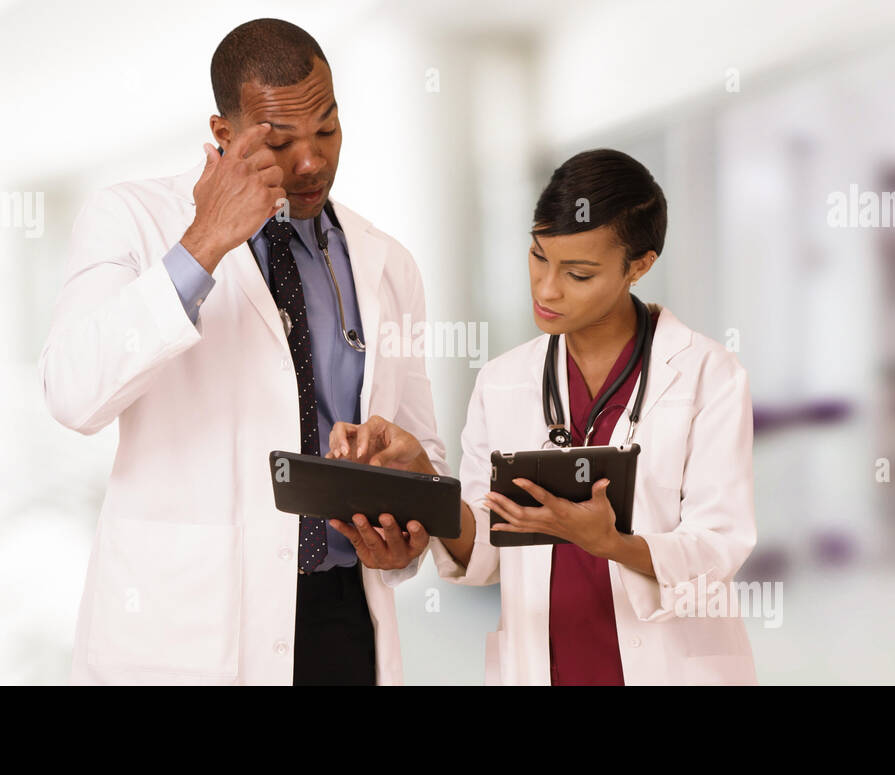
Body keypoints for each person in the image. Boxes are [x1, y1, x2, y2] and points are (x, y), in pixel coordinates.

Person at [39, 18, 445, 686]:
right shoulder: (132, 220)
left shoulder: (387, 263)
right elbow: (71, 391)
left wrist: (407, 531)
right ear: (224, 136)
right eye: (281, 141)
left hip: (343, 622)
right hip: (191, 631)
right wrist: (202, 244)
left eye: (328, 129)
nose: (312, 161)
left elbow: (420, 450)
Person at [328, 149, 758, 685]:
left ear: (640, 265)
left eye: (578, 273)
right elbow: (486, 547)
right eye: (538, 256)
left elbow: (719, 546)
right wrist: (426, 482)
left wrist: (614, 545)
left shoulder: (706, 374)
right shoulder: (503, 381)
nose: (546, 288)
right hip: (546, 667)